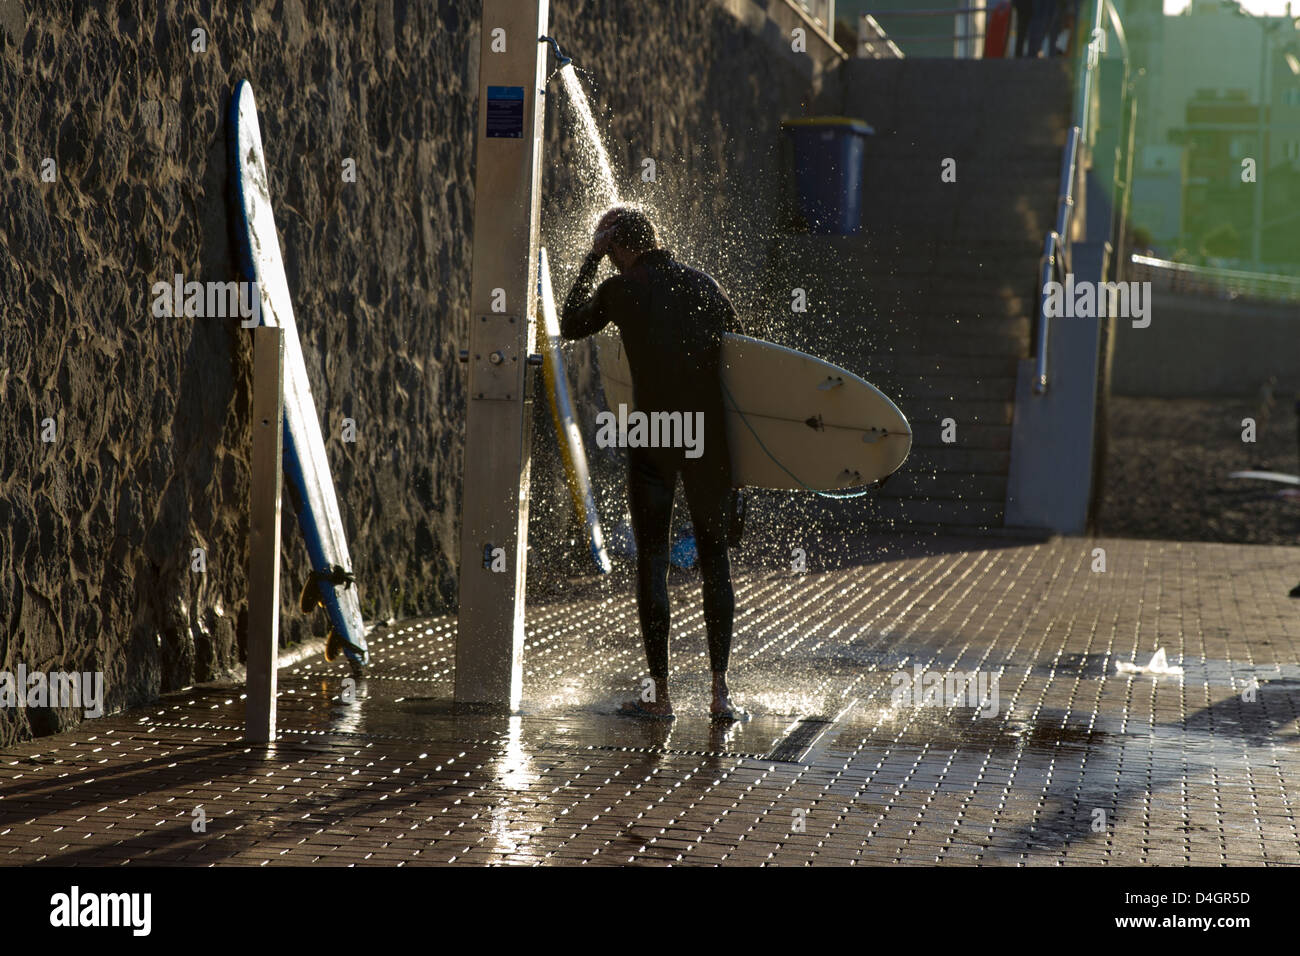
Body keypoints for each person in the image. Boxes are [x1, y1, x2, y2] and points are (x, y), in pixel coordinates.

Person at [561, 205, 743, 722]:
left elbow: (571, 322)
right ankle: (720, 695)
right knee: (715, 562)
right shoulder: (704, 285)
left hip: (654, 436)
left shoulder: (622, 290)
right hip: (707, 439)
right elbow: (745, 363)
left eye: (609, 251)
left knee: (654, 561)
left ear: (618, 247)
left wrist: (589, 261)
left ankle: (660, 698)